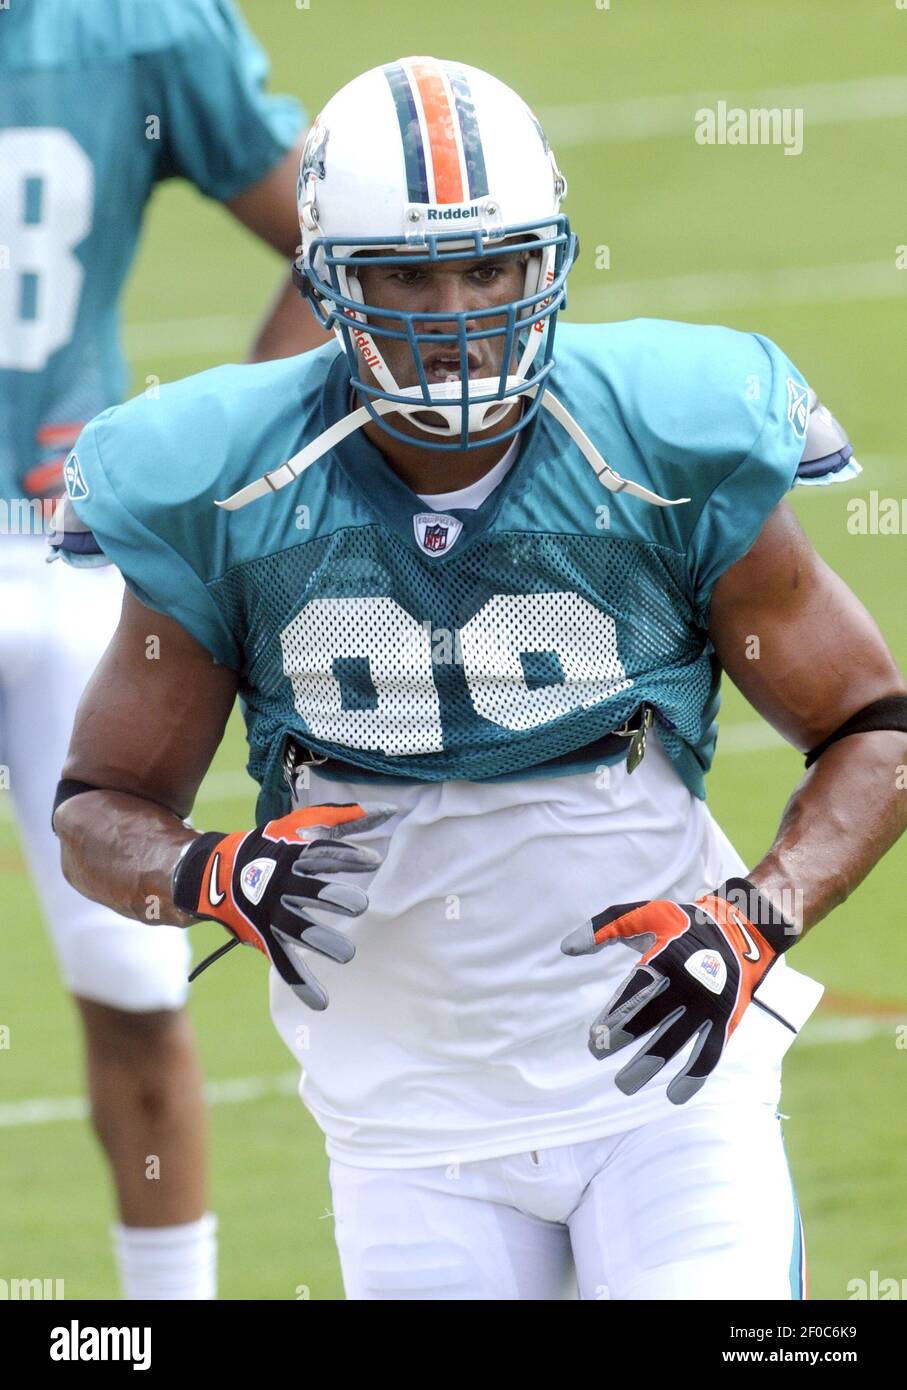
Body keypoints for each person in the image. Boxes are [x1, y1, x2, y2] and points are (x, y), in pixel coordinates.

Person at [52, 56, 907, 1300]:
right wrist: (210, 871)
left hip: (668, 1093)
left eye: (488, 266)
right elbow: (98, 804)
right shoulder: (225, 486)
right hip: (406, 1123)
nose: (453, 311)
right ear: (332, 284)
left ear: (545, 262)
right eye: (407, 273)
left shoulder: (661, 437)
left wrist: (756, 917)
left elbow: (872, 723)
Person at [0, 0, 327, 1300]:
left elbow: (342, 238)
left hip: (69, 546)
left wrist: (225, 457)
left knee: (137, 982)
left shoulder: (132, 22)